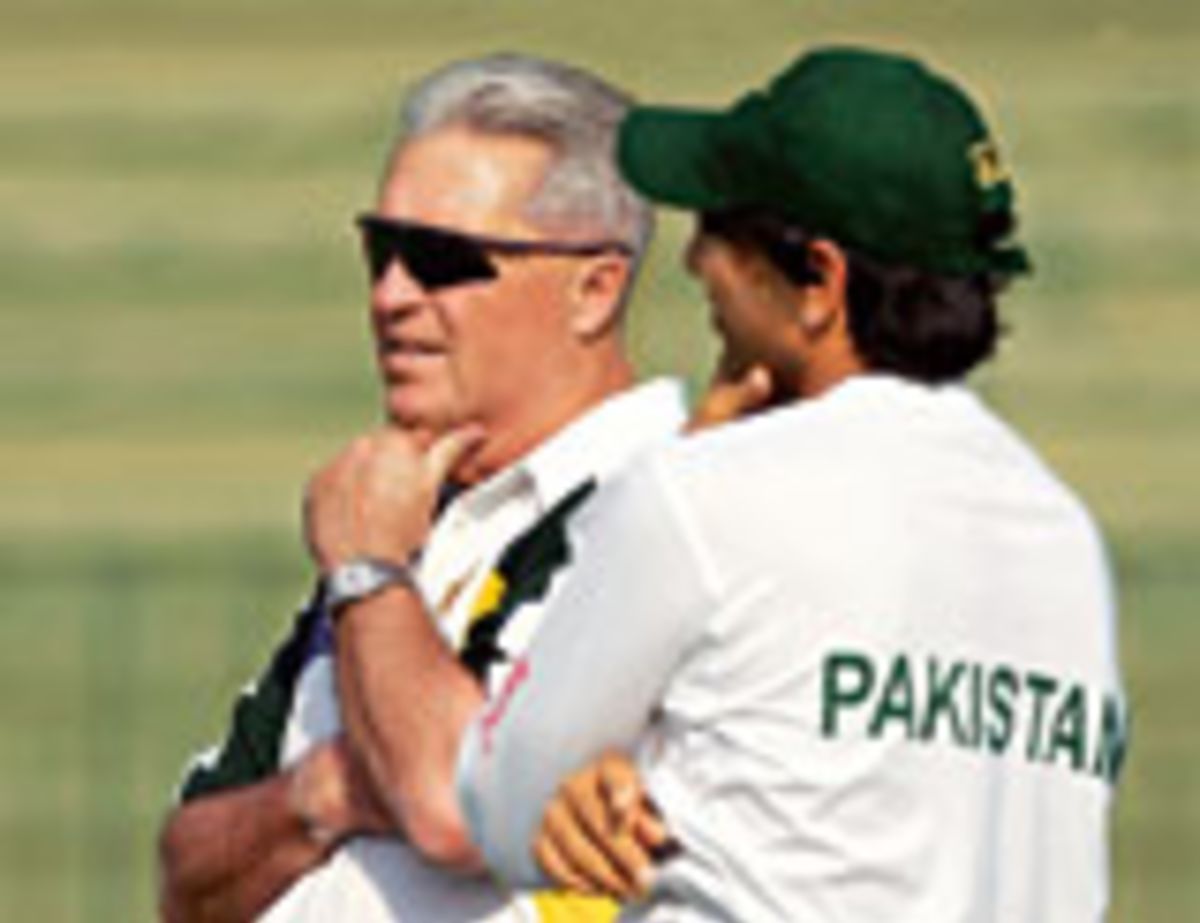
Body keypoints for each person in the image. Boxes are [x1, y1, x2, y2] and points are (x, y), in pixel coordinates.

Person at [442, 46, 1126, 919]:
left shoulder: (701, 495)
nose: (693, 263)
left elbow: (500, 801)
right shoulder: (1064, 535)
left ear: (820, 282)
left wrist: (687, 459)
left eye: (722, 228)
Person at [157, 54, 687, 922]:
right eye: (383, 249)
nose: (390, 297)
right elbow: (189, 874)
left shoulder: (664, 510)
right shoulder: (413, 513)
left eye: (442, 259)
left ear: (594, 288)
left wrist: (366, 569)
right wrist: (323, 791)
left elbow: (455, 804)